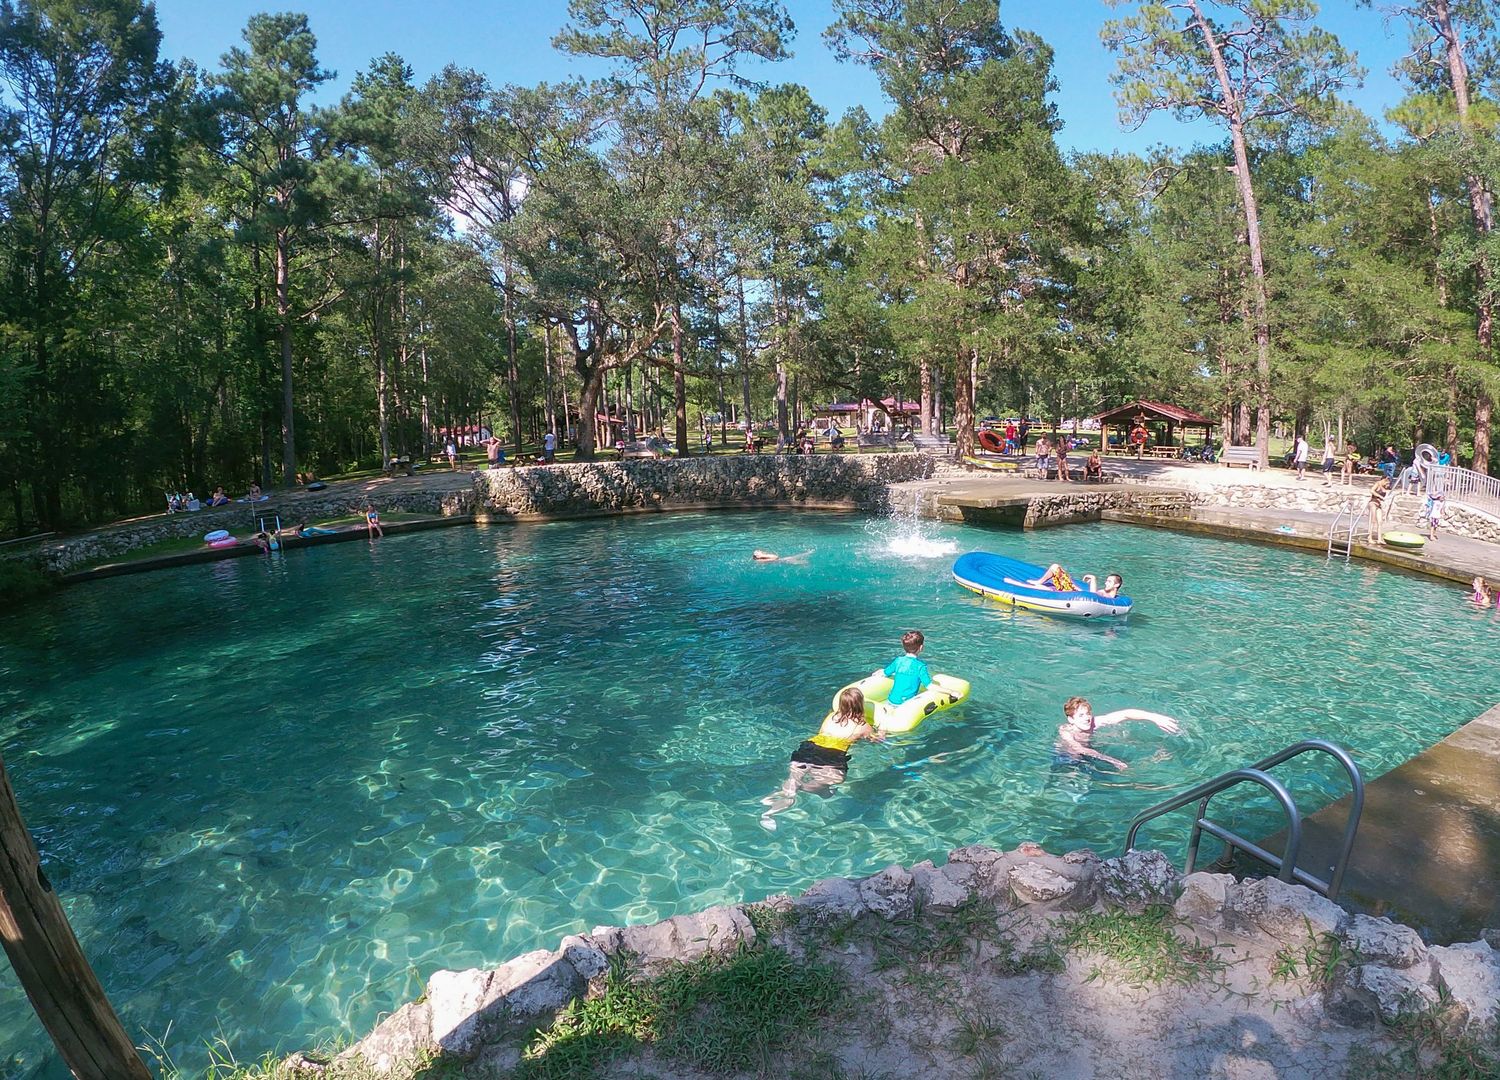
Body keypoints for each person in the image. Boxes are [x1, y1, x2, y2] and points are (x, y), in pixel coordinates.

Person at [759, 686, 884, 830]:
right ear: (859, 705)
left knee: (792, 781)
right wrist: (882, 730)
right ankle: (811, 788)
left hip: (808, 748)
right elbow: (877, 740)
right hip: (830, 754)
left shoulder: (831, 716)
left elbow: (822, 733)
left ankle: (768, 813)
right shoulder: (862, 726)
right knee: (837, 779)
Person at [1057, 696, 1180, 772]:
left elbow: (1125, 714)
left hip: (1091, 750)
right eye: (1081, 715)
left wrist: (1155, 717)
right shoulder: (1066, 731)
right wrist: (1114, 761)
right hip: (1068, 757)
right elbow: (1079, 749)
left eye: (1088, 713)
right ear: (1071, 719)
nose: (1087, 718)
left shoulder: (1095, 722)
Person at [883, 631, 931, 708]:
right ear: (921, 647)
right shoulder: (921, 666)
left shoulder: (898, 661)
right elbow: (929, 686)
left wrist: (879, 672)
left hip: (890, 701)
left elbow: (885, 673)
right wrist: (951, 692)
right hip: (905, 706)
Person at [1365, 475, 1392, 543]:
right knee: (1373, 520)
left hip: (1379, 505)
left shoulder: (1384, 487)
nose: (1387, 485)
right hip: (1373, 503)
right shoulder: (1378, 484)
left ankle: (1379, 539)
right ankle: (1370, 537)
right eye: (1387, 483)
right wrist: (1380, 496)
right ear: (1384, 480)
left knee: (1380, 522)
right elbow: (1372, 491)